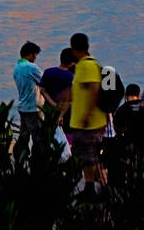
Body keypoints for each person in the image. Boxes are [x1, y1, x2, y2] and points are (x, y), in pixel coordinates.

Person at [68, 32, 107, 193]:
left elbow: (94, 90)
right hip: (83, 123)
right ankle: (90, 186)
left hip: (89, 123)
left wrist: (87, 116)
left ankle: (99, 189)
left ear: (73, 49)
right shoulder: (82, 66)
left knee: (91, 157)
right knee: (86, 158)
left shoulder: (88, 65)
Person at [40, 47, 76, 138]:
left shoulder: (48, 72)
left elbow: (42, 90)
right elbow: (68, 100)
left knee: (48, 135)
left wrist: (52, 103)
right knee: (65, 137)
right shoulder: (70, 77)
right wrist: (60, 115)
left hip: (48, 110)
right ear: (72, 62)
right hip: (65, 114)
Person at [12, 41, 42, 144]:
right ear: (30, 54)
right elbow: (44, 82)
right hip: (33, 108)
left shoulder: (16, 67)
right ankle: (36, 159)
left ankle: (20, 156)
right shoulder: (31, 67)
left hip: (22, 106)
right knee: (37, 137)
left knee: (24, 136)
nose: (35, 58)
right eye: (35, 55)